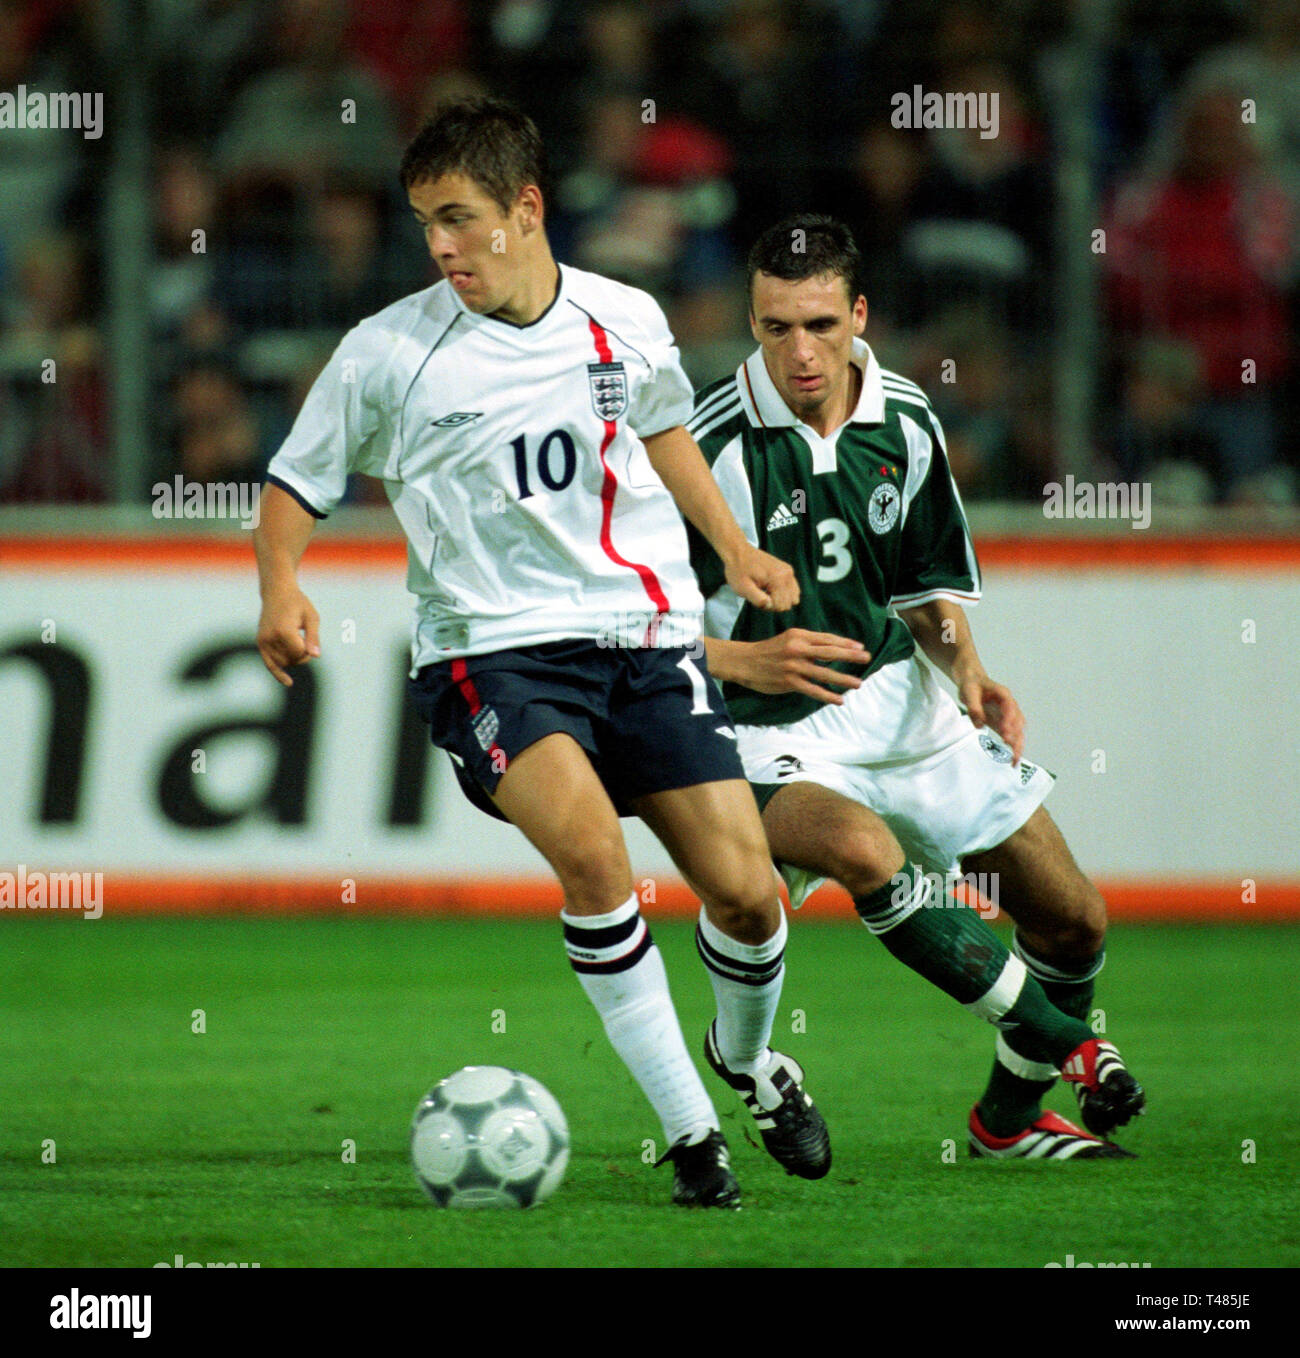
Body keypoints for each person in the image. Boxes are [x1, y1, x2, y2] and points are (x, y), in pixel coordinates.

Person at [251, 99, 829, 1207]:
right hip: (494, 652)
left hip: (646, 638)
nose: (441, 246)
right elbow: (294, 481)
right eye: (426, 223)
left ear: (525, 208)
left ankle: (748, 1060)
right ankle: (694, 1138)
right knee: (597, 864)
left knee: (749, 895)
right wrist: (281, 584)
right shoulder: (388, 353)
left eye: (458, 218)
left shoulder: (625, 316)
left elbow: (662, 428)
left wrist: (733, 547)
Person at [687, 214, 1146, 1159]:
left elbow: (920, 588)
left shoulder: (905, 419)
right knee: (864, 851)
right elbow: (627, 626)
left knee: (1072, 919)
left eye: (821, 325)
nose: (800, 352)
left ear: (860, 316)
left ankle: (1005, 1126)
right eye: (776, 327)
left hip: (899, 700)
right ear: (752, 321)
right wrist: (745, 662)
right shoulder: (708, 447)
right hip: (764, 727)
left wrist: (967, 667)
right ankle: (1072, 1047)